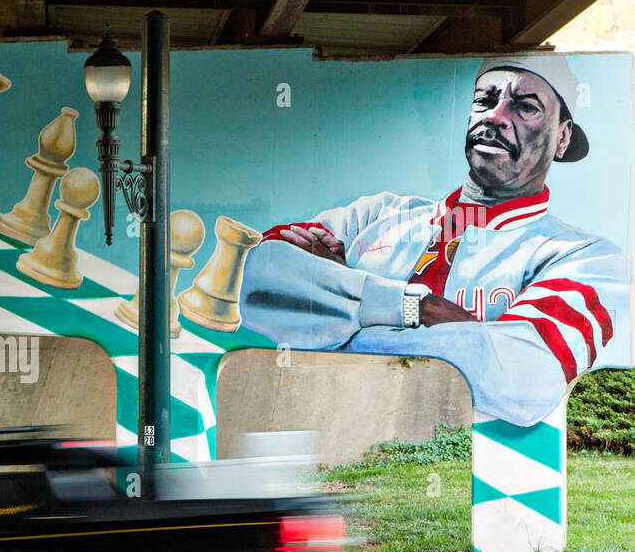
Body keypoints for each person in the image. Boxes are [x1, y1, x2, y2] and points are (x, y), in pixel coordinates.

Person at [238, 54, 627, 426]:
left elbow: (522, 379)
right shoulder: (376, 214)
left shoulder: (584, 257)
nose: (495, 116)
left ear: (562, 137)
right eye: (484, 100)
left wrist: (338, 304)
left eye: (524, 107)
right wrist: (418, 310)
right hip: (319, 441)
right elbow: (257, 275)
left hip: (464, 477)